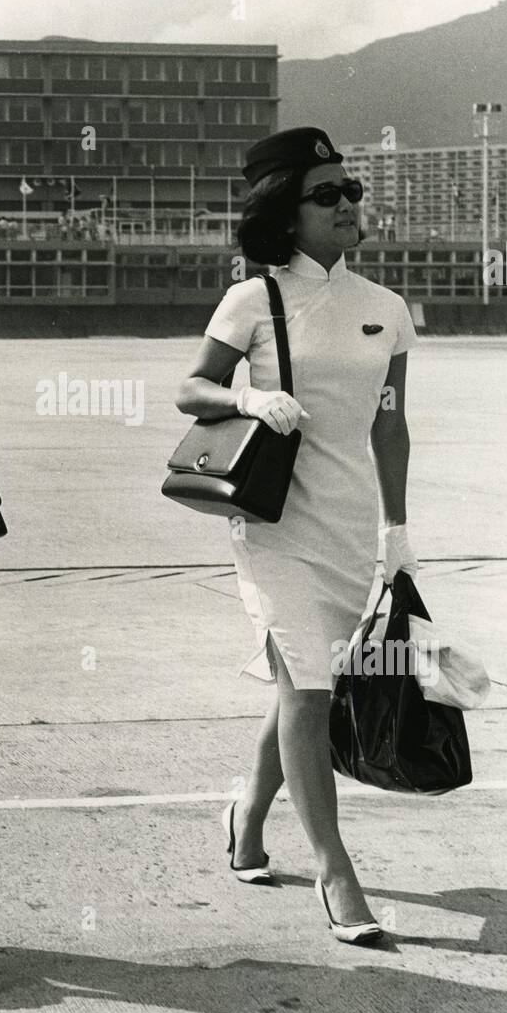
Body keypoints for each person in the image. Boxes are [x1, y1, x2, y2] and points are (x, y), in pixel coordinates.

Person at [175, 127, 420, 946]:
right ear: (287, 214)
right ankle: (335, 871)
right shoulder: (253, 300)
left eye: (351, 191)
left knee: (302, 689)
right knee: (308, 688)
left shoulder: (385, 310)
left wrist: (398, 530)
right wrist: (245, 400)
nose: (349, 204)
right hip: (273, 524)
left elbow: (390, 425)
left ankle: (245, 816)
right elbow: (192, 387)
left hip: (352, 524)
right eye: (329, 195)